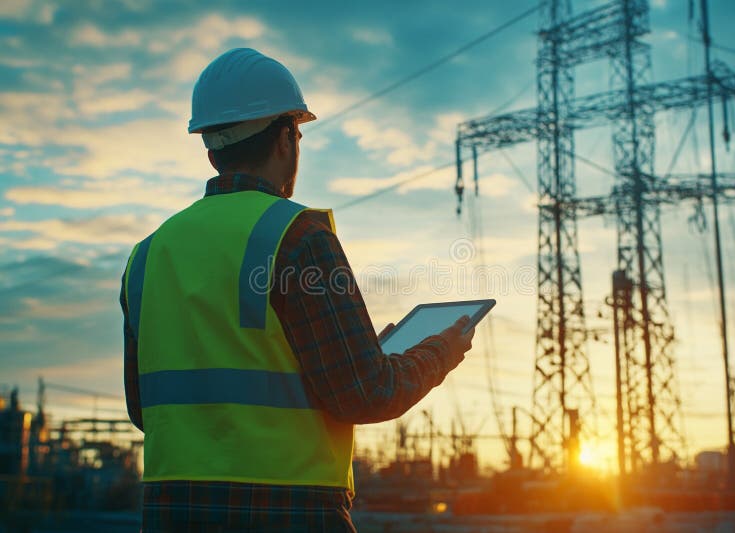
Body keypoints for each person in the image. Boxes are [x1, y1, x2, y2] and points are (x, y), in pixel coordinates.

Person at [120, 47, 474, 532]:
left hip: (171, 512)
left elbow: (146, 410)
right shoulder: (298, 237)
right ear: (286, 138)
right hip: (289, 511)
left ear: (211, 149)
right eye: (298, 132)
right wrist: (441, 352)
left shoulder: (147, 255)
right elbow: (368, 393)